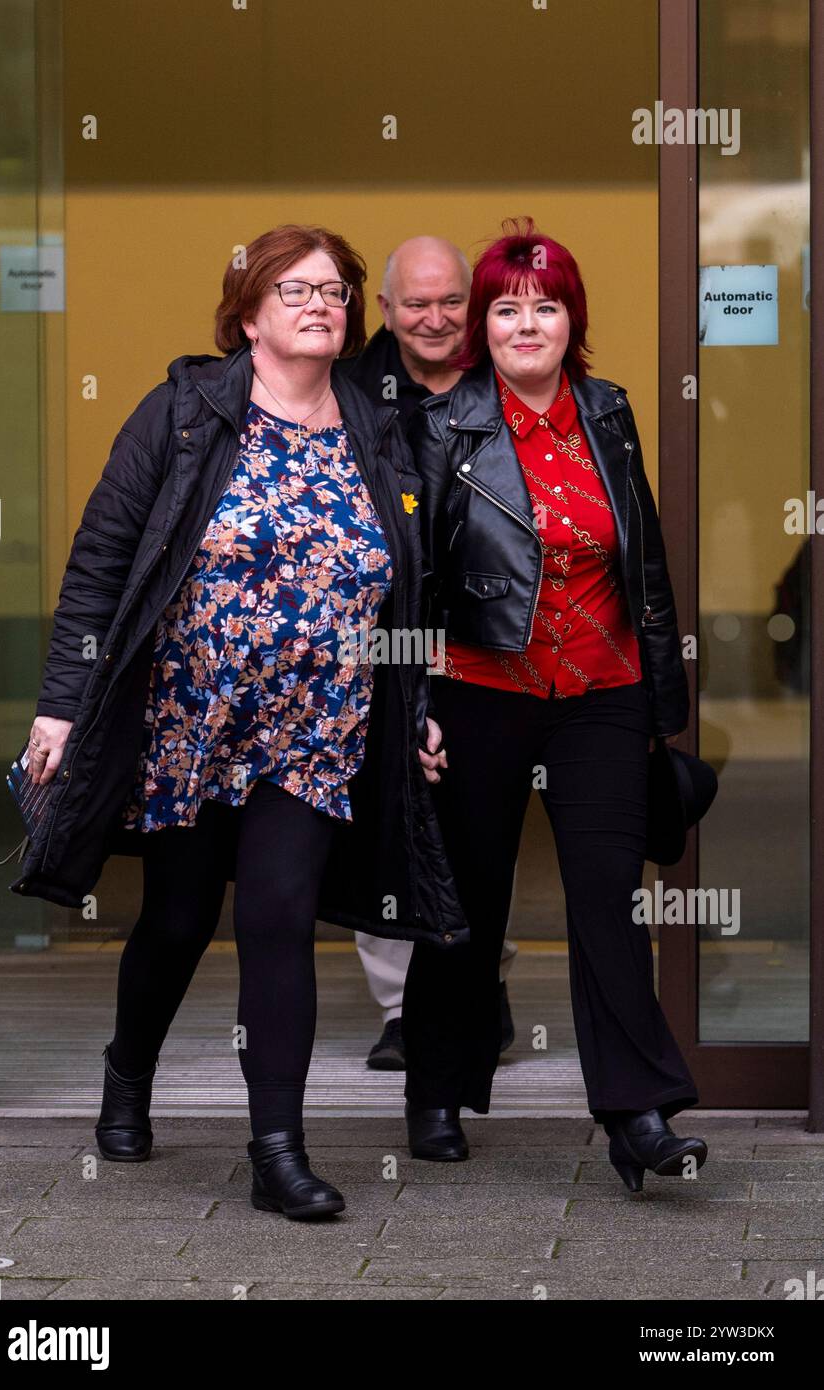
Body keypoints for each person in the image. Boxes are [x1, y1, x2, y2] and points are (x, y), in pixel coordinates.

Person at [15, 223, 466, 1221]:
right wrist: (59, 706)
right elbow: (100, 563)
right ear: (248, 311)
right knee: (176, 919)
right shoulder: (184, 412)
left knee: (276, 918)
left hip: (316, 728)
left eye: (336, 293)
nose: (321, 305)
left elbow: (413, 579)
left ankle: (277, 1151)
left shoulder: (378, 422)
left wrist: (416, 707)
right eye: (297, 289)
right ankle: (126, 1075)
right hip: (189, 716)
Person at [402, 217, 708, 1191]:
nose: (524, 324)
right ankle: (435, 1086)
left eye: (543, 307)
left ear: (570, 317)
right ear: (480, 329)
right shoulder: (443, 427)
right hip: (480, 694)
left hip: (600, 698)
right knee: (467, 906)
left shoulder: (607, 411)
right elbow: (407, 584)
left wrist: (663, 702)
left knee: (607, 906)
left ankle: (636, 1114)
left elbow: (643, 560)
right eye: (504, 308)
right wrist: (415, 707)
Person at [338, 235, 517, 1067]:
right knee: (391, 803)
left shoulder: (507, 377)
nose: (436, 319)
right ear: (385, 309)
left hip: (487, 632)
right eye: (417, 303)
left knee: (478, 815)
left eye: (452, 302)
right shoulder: (348, 390)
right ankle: (402, 1010)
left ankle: (483, 986)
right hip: (384, 628)